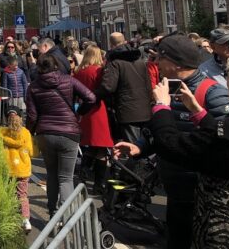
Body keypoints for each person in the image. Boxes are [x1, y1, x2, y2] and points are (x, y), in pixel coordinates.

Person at [115, 58, 229, 248]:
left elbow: (172, 145)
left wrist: (161, 107)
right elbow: (219, 134)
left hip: (225, 222)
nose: (226, 79)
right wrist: (198, 113)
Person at [149, 33, 229, 249]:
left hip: (201, 197)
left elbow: (224, 142)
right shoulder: (167, 88)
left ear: (176, 63)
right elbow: (163, 130)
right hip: (176, 189)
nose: (156, 62)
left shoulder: (212, 93)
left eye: (160, 57)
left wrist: (162, 107)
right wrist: (140, 147)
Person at [26, 53, 95, 217]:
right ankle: (67, 216)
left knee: (51, 174)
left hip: (45, 132)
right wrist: (79, 113)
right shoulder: (69, 80)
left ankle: (53, 211)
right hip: (68, 131)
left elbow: (32, 116)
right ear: (56, 65)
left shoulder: (33, 87)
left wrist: (30, 131)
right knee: (66, 177)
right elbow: (91, 97)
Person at [95, 31, 151, 142]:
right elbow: (148, 84)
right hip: (144, 108)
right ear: (124, 41)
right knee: (145, 144)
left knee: (132, 146)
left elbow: (108, 87)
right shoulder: (140, 60)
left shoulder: (115, 62)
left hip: (126, 110)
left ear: (111, 44)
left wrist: (94, 95)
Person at [74, 44, 113, 194]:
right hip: (98, 110)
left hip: (85, 110)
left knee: (90, 146)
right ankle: (98, 184)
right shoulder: (98, 71)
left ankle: (82, 176)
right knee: (101, 148)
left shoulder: (79, 72)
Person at [0, 107, 34, 232]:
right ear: (20, 118)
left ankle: (8, 218)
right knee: (22, 195)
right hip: (23, 170)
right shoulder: (26, 133)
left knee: (7, 193)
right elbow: (31, 152)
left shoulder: (1, 132)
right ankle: (25, 220)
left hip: (7, 168)